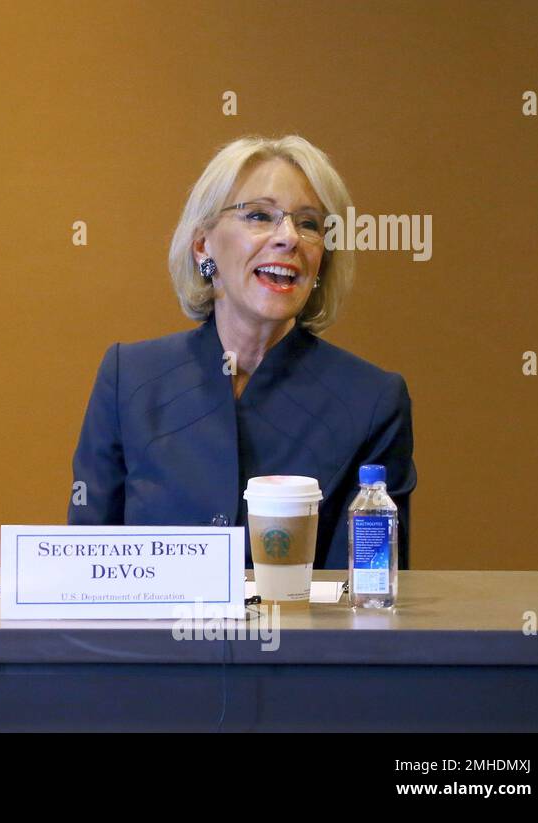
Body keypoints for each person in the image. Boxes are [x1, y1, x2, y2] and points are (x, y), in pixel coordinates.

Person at [69, 135, 415, 569]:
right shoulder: (129, 378)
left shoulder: (372, 401)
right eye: (258, 215)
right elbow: (84, 576)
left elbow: (367, 600)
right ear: (203, 247)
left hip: (298, 638)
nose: (288, 237)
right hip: (146, 639)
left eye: (309, 224)